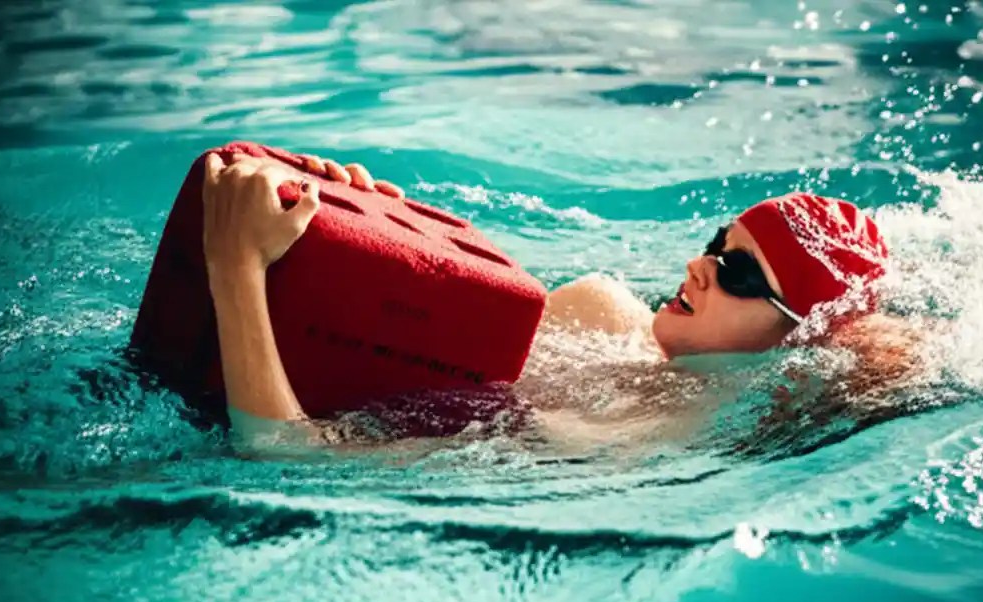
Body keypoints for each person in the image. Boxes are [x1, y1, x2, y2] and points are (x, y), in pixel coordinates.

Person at [202, 151, 915, 448]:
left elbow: (290, 459)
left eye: (740, 273)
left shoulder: (636, 444)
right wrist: (365, 236)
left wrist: (233, 263)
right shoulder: (597, 306)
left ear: (799, 340)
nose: (700, 265)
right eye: (717, 243)